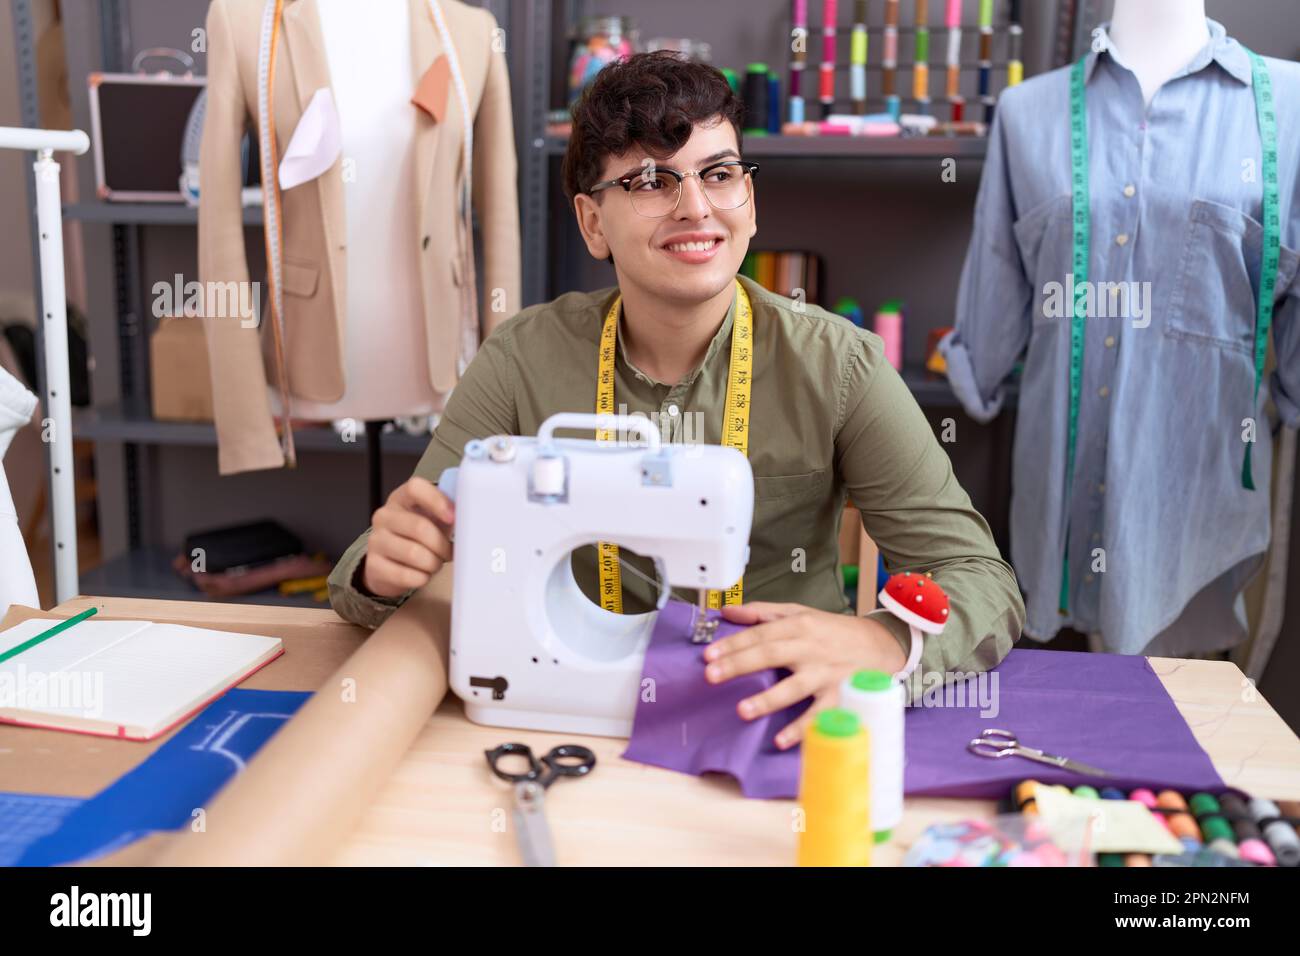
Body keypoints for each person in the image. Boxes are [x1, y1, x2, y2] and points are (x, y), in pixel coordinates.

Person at [329, 51, 1024, 747]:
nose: (695, 207)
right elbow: (375, 564)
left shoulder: (840, 366)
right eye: (650, 180)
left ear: (749, 200)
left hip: (775, 721)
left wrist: (882, 644)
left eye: (720, 174)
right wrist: (385, 567)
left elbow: (980, 580)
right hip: (567, 717)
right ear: (592, 223)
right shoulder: (521, 359)